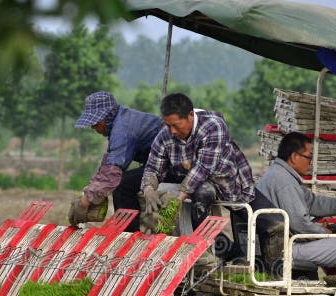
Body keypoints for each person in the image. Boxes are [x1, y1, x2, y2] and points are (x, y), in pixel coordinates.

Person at [141, 92, 277, 254]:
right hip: (198, 188)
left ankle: (259, 258)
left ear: (191, 115)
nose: (172, 131)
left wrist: (176, 202)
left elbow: (203, 169)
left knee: (275, 224)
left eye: (176, 125)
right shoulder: (165, 135)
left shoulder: (213, 126)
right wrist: (148, 188)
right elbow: (152, 167)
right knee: (202, 193)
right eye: (168, 125)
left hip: (231, 184)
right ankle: (205, 252)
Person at [257, 131, 336, 278]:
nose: (310, 162)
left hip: (278, 243)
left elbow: (313, 202)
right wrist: (323, 233)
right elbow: (299, 223)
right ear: (294, 157)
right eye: (309, 157)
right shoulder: (284, 182)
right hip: (282, 249)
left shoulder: (280, 175)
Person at [72, 91, 161, 232]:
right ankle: (127, 230)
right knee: (122, 181)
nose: (93, 127)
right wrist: (92, 190)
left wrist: (85, 202)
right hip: (154, 164)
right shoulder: (120, 119)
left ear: (107, 117)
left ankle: (129, 234)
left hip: (169, 165)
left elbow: (113, 173)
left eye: (96, 122)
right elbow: (110, 162)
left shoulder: (121, 130)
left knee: (122, 184)